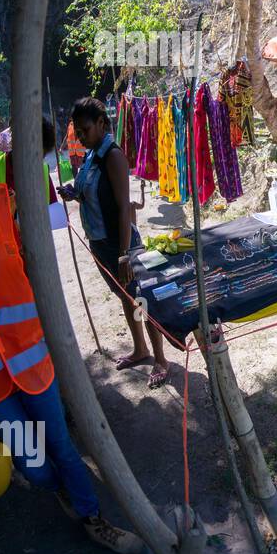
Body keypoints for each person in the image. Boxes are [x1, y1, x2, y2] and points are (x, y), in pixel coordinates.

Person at [0, 104, 143, 554]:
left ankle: (93, 516)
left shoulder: (7, 204)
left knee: (64, 448)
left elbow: (35, 156)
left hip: (32, 361)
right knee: (34, 466)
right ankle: (62, 489)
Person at [57, 98, 171, 389]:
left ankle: (160, 358)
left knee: (142, 298)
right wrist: (73, 193)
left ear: (102, 124)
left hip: (120, 244)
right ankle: (140, 349)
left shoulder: (113, 156)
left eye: (85, 130)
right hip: (100, 243)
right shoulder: (91, 156)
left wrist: (123, 255)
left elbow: (122, 208)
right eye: (78, 132)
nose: (81, 137)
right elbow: (92, 194)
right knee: (125, 297)